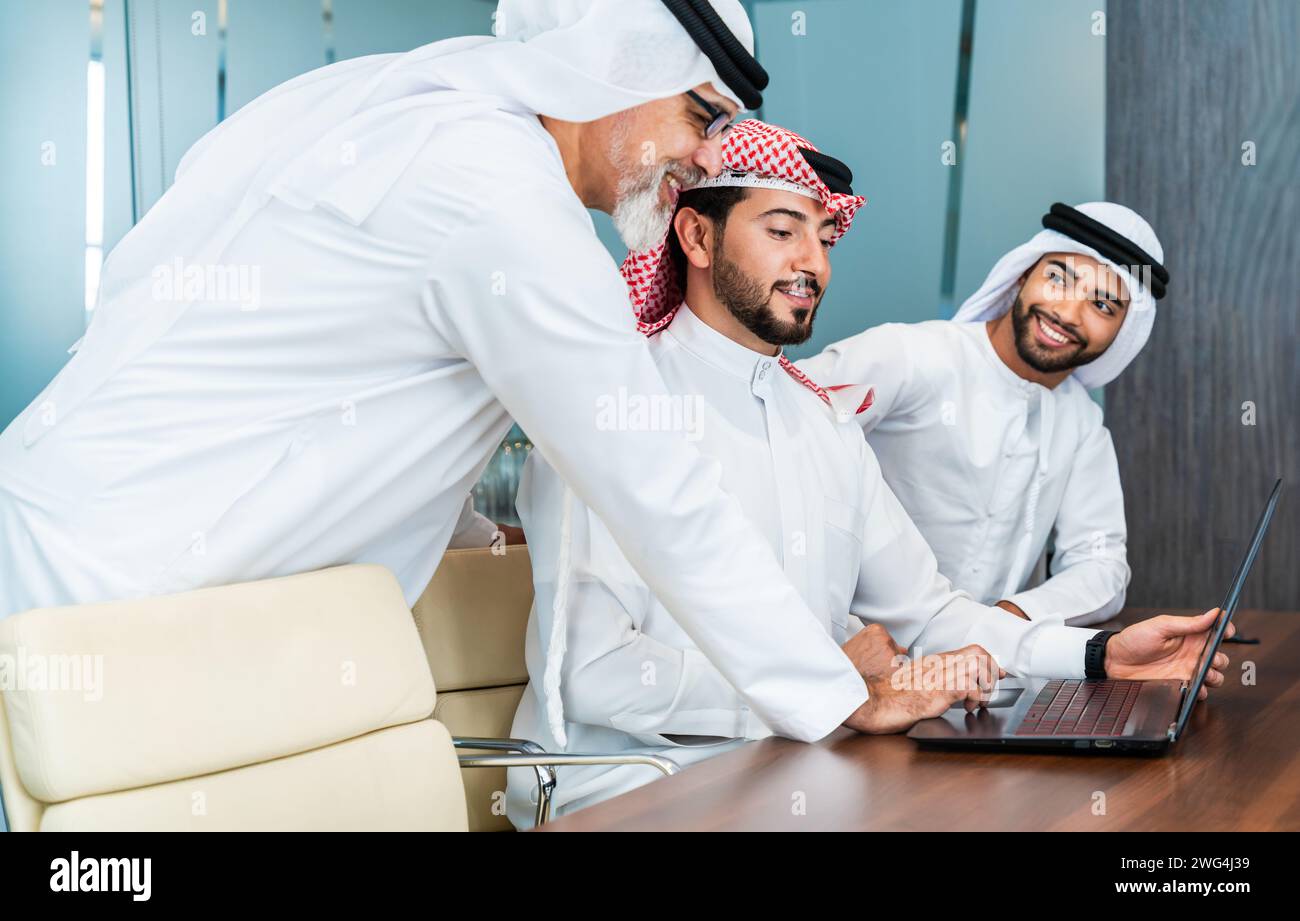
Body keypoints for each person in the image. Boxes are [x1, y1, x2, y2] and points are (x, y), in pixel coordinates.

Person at [0, 1, 871, 743]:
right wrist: (840, 699)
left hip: (71, 552)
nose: (713, 158)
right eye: (704, 116)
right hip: (107, 597)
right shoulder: (504, 203)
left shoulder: (422, 118)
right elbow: (663, 494)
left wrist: (485, 546)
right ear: (613, 69)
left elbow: (371, 399)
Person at [506, 130, 1228, 825]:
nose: (813, 263)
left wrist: (1099, 654)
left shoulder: (823, 425)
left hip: (799, 771)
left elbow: (932, 613)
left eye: (824, 237)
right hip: (632, 790)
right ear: (695, 238)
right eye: (783, 231)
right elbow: (594, 673)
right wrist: (836, 688)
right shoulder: (612, 410)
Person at [799, 202, 1166, 626]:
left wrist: (1009, 618)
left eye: (1103, 306)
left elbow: (1102, 565)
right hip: (849, 660)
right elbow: (781, 424)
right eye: (1057, 279)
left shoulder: (1081, 425)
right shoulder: (912, 355)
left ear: (1122, 334)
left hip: (988, 674)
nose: (1067, 312)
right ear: (1023, 276)